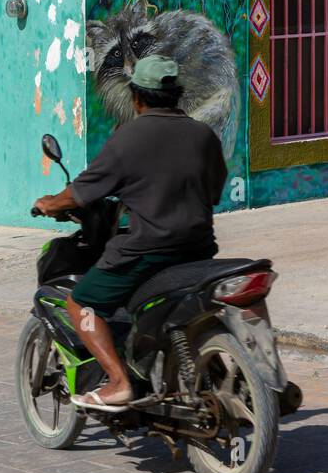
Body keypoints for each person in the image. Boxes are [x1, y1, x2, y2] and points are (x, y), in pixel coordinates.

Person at [33, 54, 227, 411]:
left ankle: (118, 383)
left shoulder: (128, 138)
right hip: (199, 250)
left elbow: (81, 193)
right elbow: (214, 192)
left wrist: (49, 203)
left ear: (137, 97)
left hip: (147, 252)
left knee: (82, 301)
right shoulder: (203, 135)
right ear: (177, 95)